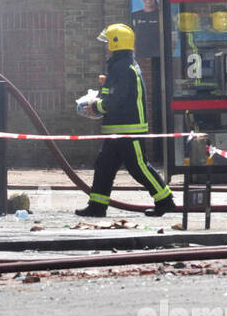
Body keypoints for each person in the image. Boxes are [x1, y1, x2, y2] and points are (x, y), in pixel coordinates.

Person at [75, 22, 176, 217]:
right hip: (116, 128)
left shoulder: (123, 68)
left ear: (115, 43)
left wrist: (96, 106)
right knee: (104, 166)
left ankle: (165, 200)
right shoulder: (120, 66)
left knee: (138, 167)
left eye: (108, 43)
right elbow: (112, 95)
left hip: (129, 129)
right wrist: (97, 102)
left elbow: (117, 98)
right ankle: (97, 206)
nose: (106, 47)